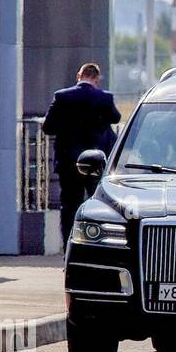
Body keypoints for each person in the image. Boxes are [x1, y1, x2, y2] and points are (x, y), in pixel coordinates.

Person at [43, 63, 121, 241]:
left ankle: (68, 248)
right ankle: (96, 245)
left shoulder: (61, 97)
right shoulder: (104, 98)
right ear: (96, 79)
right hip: (96, 162)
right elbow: (115, 118)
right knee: (100, 205)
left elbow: (48, 127)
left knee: (69, 206)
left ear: (79, 76)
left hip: (68, 161)